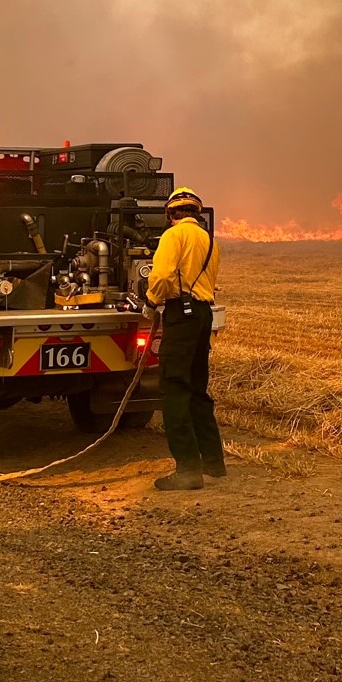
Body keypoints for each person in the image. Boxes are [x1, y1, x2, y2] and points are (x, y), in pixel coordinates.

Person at [144, 186, 223, 491]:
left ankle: (187, 470)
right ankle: (214, 462)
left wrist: (151, 302)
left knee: (174, 388)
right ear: (197, 213)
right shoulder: (209, 240)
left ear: (171, 214)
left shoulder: (173, 236)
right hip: (203, 314)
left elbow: (162, 277)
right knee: (197, 389)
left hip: (182, 314)